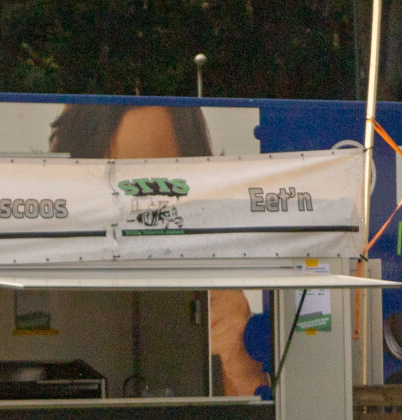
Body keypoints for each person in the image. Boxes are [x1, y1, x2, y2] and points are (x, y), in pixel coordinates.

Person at [48, 102, 268, 399]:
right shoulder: (45, 280)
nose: (137, 216)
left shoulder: (225, 296)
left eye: (156, 190)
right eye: (114, 191)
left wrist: (239, 362)